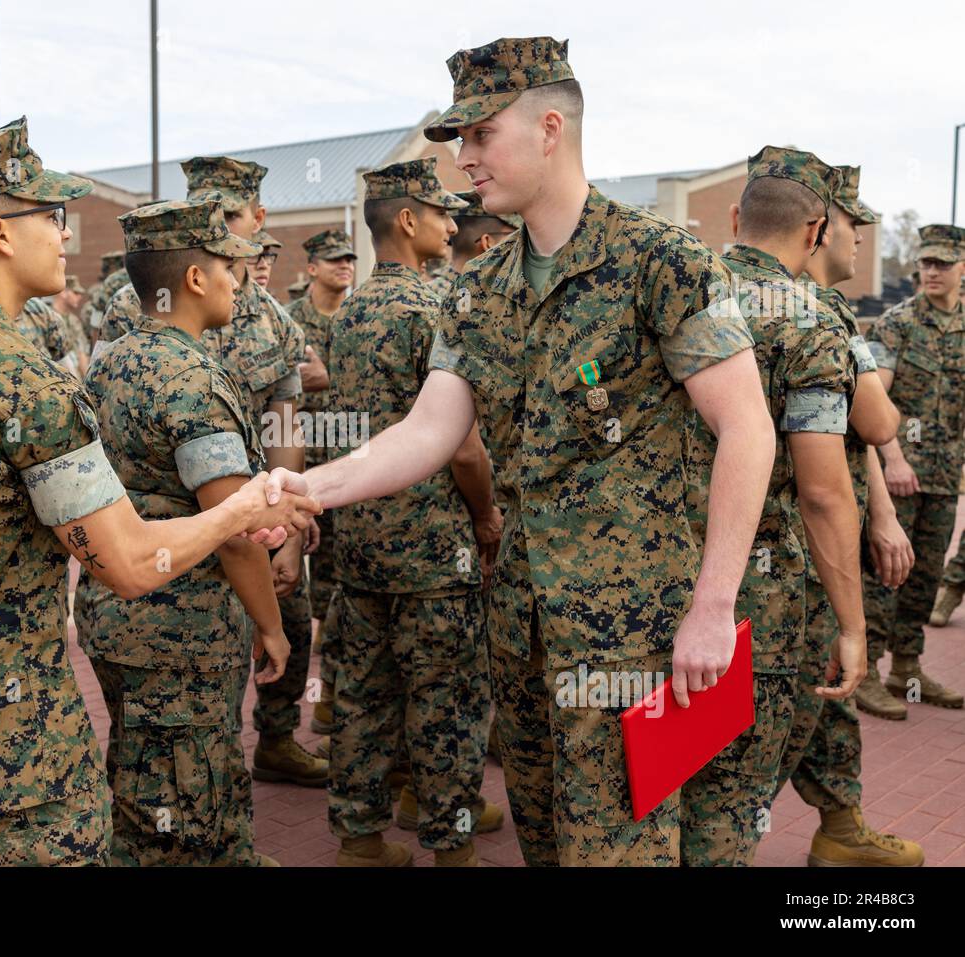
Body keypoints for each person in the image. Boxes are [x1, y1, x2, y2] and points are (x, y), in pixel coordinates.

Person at [269, 36, 776, 866]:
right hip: (523, 628)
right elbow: (427, 431)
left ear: (550, 127)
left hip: (637, 635)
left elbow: (747, 428)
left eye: (479, 136)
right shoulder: (480, 286)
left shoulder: (661, 262)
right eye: (458, 141)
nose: (464, 161)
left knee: (623, 852)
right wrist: (306, 485)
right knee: (545, 842)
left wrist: (714, 606)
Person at [0, 117, 317, 865]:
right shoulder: (23, 382)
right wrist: (244, 507)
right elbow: (133, 563)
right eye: (49, 216)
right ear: (1, 235)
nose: (63, 235)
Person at [99, 157, 325, 786]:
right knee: (187, 760)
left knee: (169, 754)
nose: (234, 249)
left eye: (232, 222)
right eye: (214, 229)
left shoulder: (274, 321)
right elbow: (224, 518)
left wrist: (284, 528)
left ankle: (273, 744)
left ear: (258, 218)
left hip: (234, 533)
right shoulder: (133, 316)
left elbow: (282, 427)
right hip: (195, 562)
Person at [81, 196, 283, 865]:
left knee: (142, 771)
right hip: (182, 626)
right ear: (195, 279)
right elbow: (234, 527)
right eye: (229, 265)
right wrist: (273, 625)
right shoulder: (193, 379)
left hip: (115, 609)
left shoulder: (110, 360)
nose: (239, 279)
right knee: (191, 802)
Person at [680, 147, 865, 866]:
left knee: (653, 777)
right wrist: (851, 625)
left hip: (648, 574)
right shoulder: (813, 321)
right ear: (817, 231)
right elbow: (821, 489)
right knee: (729, 794)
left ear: (735, 216)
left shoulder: (679, 291)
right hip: (751, 596)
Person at [325, 159, 500, 867]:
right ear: (407, 221)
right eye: (440, 213)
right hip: (432, 550)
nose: (453, 224)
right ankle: (450, 845)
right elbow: (462, 448)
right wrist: (486, 517)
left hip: (362, 539)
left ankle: (360, 838)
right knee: (445, 699)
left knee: (364, 694)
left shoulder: (349, 312)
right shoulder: (436, 308)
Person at [772, 164, 923, 866]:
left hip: (807, 555)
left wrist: (884, 510)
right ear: (816, 226)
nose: (861, 237)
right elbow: (875, 417)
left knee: (829, 699)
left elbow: (844, 437)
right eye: (852, 222)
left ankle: (842, 829)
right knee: (756, 732)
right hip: (793, 560)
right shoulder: (810, 311)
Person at [860, 223, 965, 716]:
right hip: (899, 477)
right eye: (925, 262)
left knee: (924, 576)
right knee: (885, 574)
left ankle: (907, 668)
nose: (931, 271)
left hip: (945, 480)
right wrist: (895, 458)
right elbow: (874, 397)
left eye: (942, 263)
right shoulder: (898, 323)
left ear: (961, 267)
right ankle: (866, 674)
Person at [287, 229, 356, 737]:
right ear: (311, 266)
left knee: (339, 587)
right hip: (302, 468)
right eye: (334, 259)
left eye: (350, 258)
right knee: (299, 584)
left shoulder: (357, 319)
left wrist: (329, 377)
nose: (345, 266)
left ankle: (331, 695)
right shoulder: (291, 324)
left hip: (351, 468)